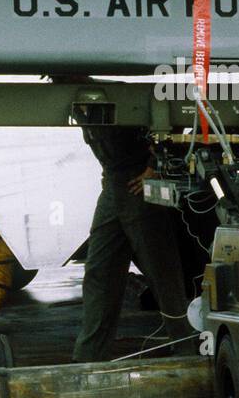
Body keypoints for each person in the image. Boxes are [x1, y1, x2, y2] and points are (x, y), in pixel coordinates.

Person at [72, 124, 197, 363]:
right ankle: (89, 355)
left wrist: (154, 166)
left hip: (137, 183)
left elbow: (171, 125)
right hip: (112, 185)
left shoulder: (118, 98)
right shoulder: (81, 108)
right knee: (100, 271)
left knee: (161, 270)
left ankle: (183, 346)